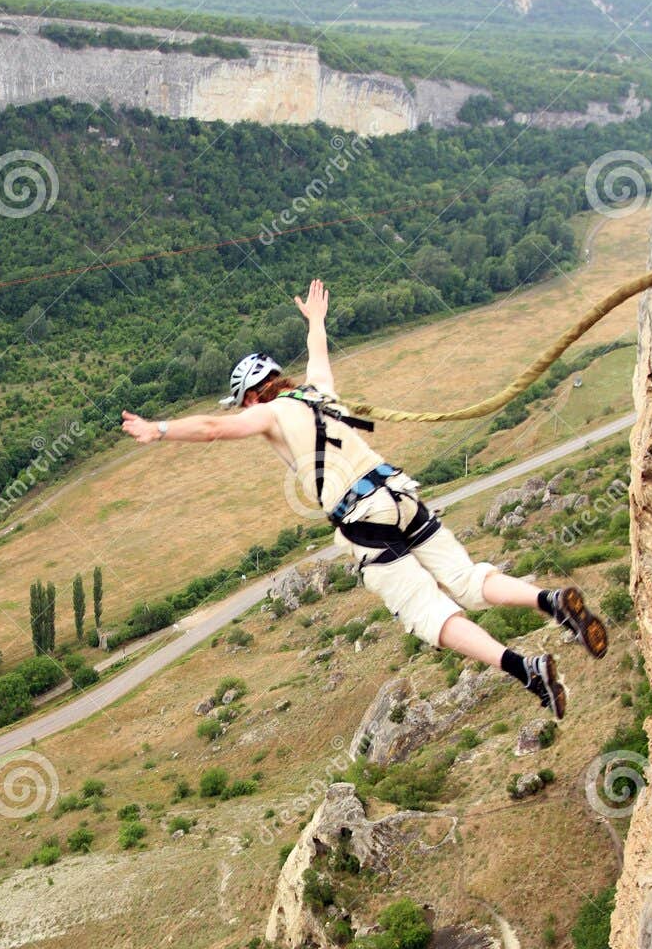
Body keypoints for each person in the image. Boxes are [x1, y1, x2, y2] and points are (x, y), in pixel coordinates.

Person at [121, 278, 608, 718]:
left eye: (245, 403)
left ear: (251, 397)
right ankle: (548, 600)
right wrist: (315, 321)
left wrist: (157, 429)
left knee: (429, 614)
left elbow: (210, 429)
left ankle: (526, 669)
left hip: (363, 517)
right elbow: (318, 355)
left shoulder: (266, 415)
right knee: (465, 578)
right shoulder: (318, 392)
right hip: (400, 493)